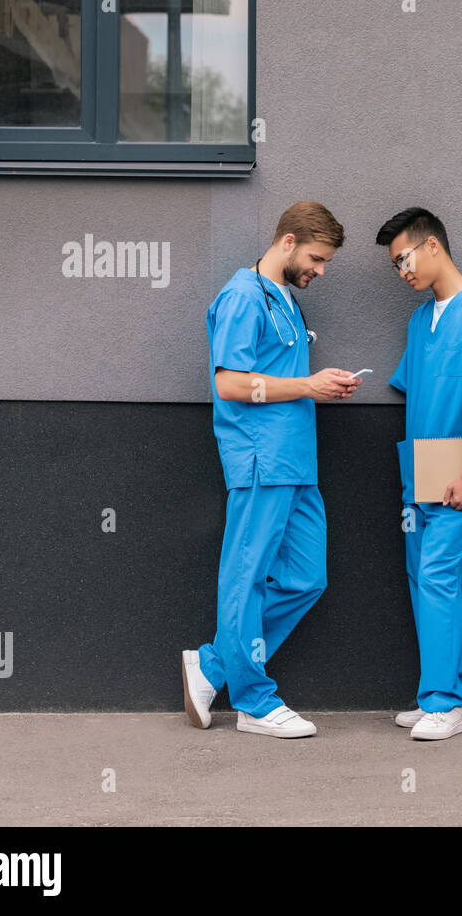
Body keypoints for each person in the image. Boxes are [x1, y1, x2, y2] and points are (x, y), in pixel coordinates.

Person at [181, 202, 361, 738]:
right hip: (260, 460)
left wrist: (319, 385)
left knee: (307, 577)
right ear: (287, 242)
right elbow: (230, 384)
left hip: (296, 462)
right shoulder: (242, 295)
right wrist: (309, 385)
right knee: (247, 576)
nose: (321, 271)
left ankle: (213, 666)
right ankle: (255, 701)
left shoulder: (284, 298)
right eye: (316, 258)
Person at [379, 208, 462, 741]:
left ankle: (441, 702)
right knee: (432, 580)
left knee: (435, 575)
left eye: (403, 258)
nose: (402, 271)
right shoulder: (418, 321)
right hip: (419, 468)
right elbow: (413, 387)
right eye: (395, 265)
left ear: (432, 246)